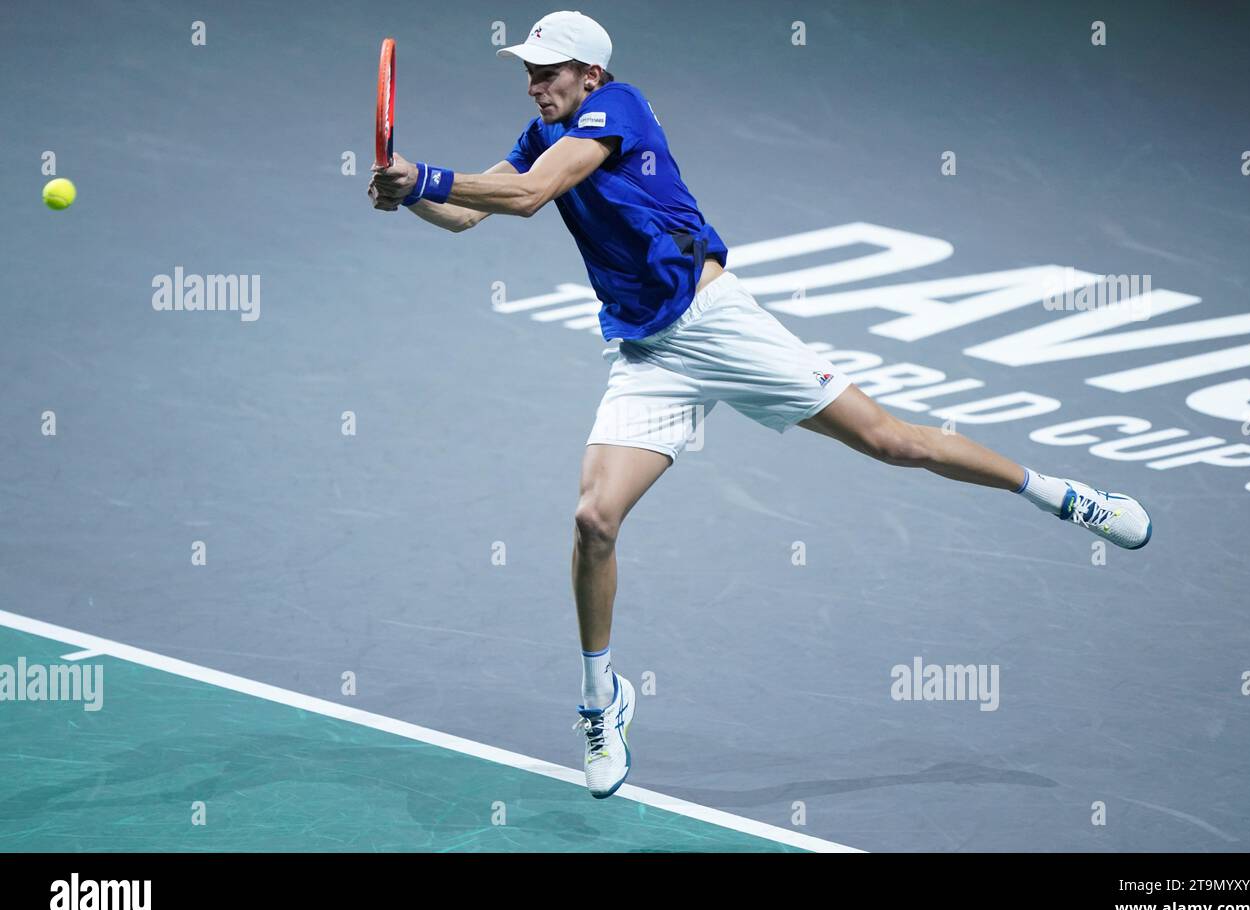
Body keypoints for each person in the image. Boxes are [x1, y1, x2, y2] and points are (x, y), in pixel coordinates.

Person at [368, 9, 1153, 800]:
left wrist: (427, 175)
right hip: (650, 356)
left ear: (591, 78)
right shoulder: (542, 135)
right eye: (529, 72)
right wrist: (409, 193)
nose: (535, 84)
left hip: (721, 325)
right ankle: (601, 699)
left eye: (550, 71)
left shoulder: (620, 109)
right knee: (592, 520)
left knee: (893, 442)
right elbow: (471, 210)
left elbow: (532, 197)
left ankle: (1067, 497)